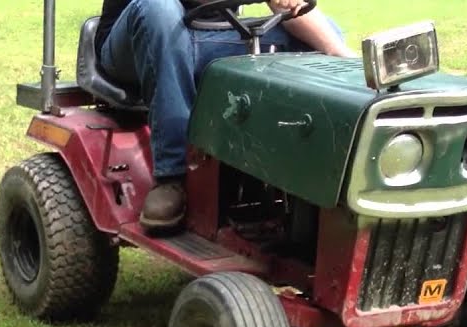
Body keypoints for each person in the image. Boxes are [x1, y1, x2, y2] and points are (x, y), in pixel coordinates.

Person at [97, 0, 355, 231]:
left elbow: (288, 9)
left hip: (206, 36)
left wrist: (339, 52)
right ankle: (172, 175)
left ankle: (300, 175)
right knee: (158, 7)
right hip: (135, 39)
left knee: (321, 31)